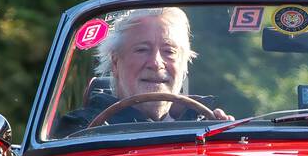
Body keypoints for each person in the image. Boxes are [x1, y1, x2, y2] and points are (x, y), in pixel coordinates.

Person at [55, 7, 226, 137]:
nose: (156, 63)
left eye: (169, 51)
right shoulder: (80, 129)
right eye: (142, 50)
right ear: (115, 62)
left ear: (183, 65)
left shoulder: (207, 127)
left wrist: (224, 138)